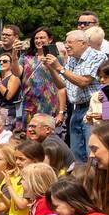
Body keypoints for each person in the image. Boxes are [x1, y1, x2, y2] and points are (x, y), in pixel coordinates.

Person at [42, 30, 102, 163]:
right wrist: (52, 68)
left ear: (82, 43)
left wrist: (60, 68)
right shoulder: (72, 59)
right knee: (77, 156)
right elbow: (62, 85)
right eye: (65, 42)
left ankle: (94, 183)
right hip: (76, 110)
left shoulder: (97, 56)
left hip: (92, 110)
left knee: (92, 154)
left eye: (69, 42)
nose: (66, 45)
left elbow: (83, 82)